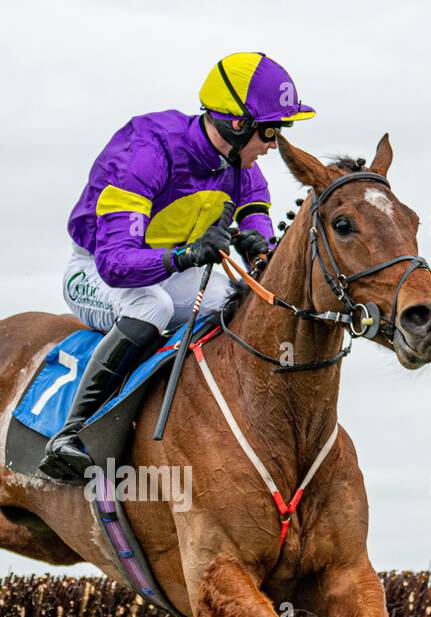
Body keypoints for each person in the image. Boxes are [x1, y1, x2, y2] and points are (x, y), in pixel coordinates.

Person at [37, 52, 317, 483]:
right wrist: (185, 256)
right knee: (153, 308)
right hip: (95, 269)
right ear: (236, 124)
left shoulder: (241, 167)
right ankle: (69, 435)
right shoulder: (148, 149)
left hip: (163, 271)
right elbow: (115, 265)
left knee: (232, 300)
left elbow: (257, 228)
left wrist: (259, 249)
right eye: (270, 131)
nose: (275, 144)